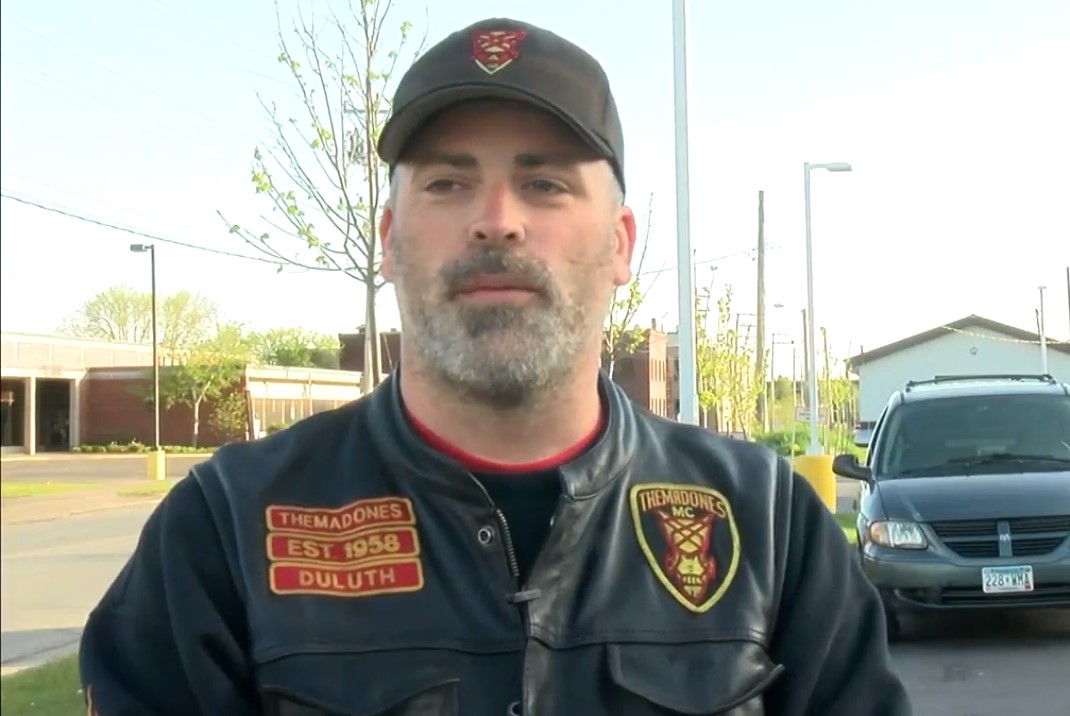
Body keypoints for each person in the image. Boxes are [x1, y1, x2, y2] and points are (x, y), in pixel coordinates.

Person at [79, 16, 913, 716]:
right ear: (388, 241)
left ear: (620, 243)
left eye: (545, 184)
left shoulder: (769, 525)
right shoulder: (225, 530)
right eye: (446, 183)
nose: (497, 223)